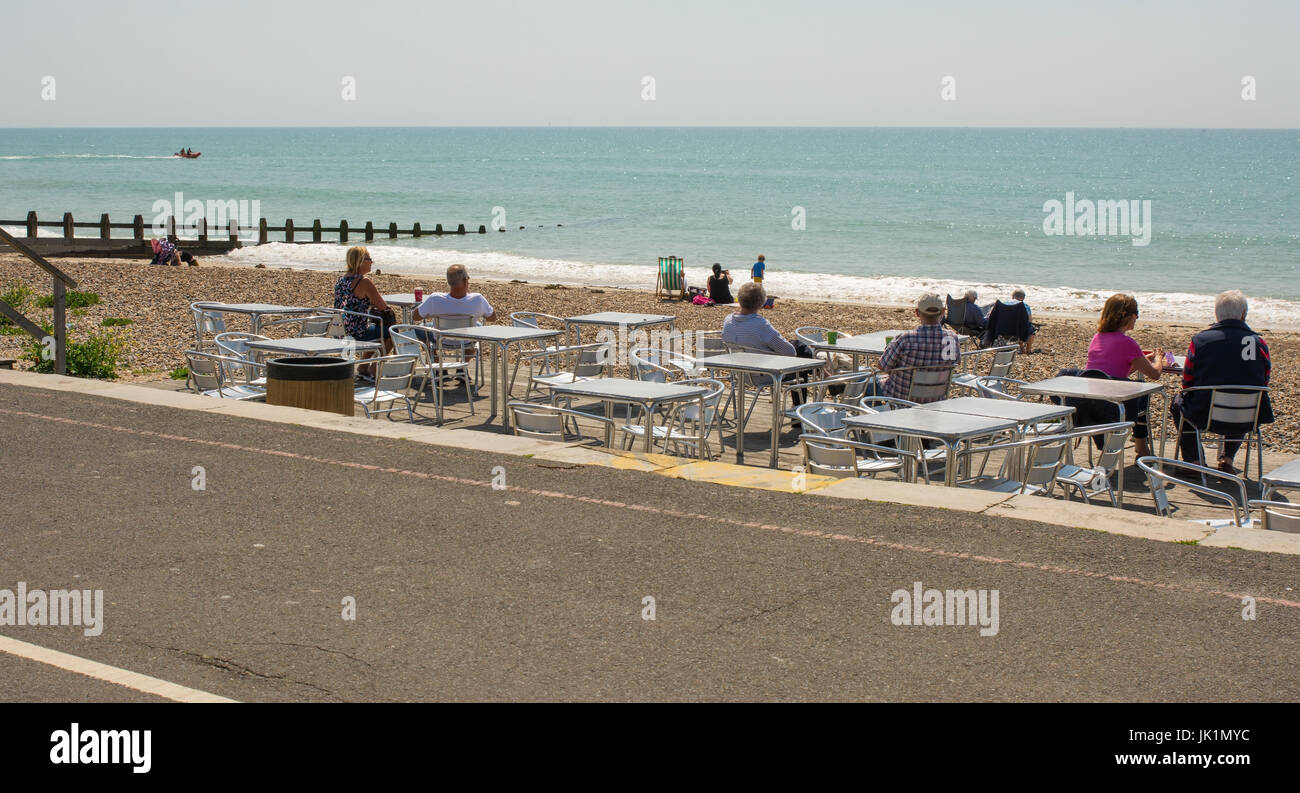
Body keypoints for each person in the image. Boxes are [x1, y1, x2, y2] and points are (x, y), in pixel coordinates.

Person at [1169, 290, 1273, 473]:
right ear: (1243, 314)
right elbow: (1264, 380)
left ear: (1216, 314)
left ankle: (1194, 461)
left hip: (1205, 413)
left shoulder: (1201, 340)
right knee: (1245, 396)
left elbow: (1187, 381)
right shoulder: (1259, 343)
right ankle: (1228, 458)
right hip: (1246, 416)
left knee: (1179, 402)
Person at [1084, 293, 1163, 458]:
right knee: (1143, 395)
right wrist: (1159, 359)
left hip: (1092, 400)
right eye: (1136, 315)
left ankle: (1141, 446)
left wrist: (1141, 361)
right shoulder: (1127, 342)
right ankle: (1142, 446)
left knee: (1135, 391)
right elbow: (1155, 374)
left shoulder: (1097, 338)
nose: (1136, 318)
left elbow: (1116, 373)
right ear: (1129, 316)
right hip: (1114, 404)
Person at [721, 282, 816, 404]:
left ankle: (824, 375)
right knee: (800, 352)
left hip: (739, 373)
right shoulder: (760, 325)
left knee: (798, 349)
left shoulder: (728, 321)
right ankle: (799, 416)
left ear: (739, 299)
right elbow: (790, 352)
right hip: (763, 374)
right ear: (762, 302)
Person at [875, 293, 961, 403]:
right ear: (943, 312)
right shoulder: (952, 338)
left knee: (867, 384)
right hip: (935, 400)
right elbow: (956, 363)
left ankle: (873, 417)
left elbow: (882, 366)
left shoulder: (906, 339)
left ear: (917, 313)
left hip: (901, 399)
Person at [333, 246, 395, 374]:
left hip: (339, 330)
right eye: (369, 259)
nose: (372, 262)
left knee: (376, 328)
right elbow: (383, 306)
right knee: (391, 331)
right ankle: (374, 367)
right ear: (360, 261)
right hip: (356, 332)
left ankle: (363, 366)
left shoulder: (341, 279)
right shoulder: (363, 281)